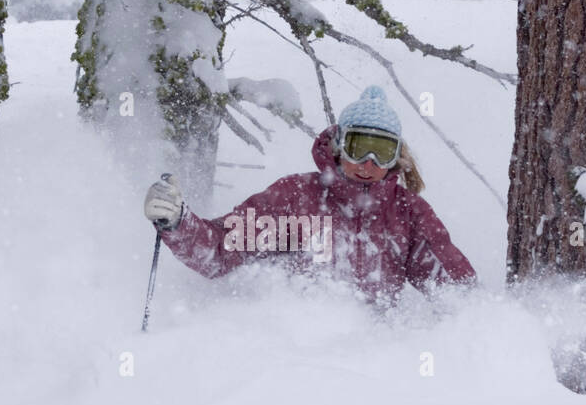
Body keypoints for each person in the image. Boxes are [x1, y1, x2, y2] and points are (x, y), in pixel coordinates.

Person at [143, 85, 476, 305]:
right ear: (339, 145)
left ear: (397, 157)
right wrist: (177, 223)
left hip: (378, 361)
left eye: (382, 152)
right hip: (303, 358)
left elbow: (456, 292)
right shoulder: (297, 198)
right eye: (360, 148)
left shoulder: (408, 213)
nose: (368, 163)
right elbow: (220, 251)